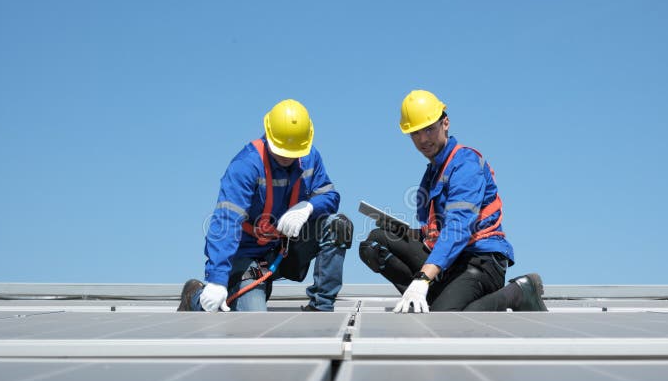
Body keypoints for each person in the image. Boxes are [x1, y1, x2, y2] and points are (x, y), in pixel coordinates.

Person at [359, 89, 547, 313]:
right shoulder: (432, 173)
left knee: (446, 320)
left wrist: (422, 278)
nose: (422, 139)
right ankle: (434, 298)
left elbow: (458, 227)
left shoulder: (465, 163)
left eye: (429, 129)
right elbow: (437, 230)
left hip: (481, 261)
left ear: (445, 123)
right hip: (452, 261)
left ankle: (518, 293)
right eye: (415, 133)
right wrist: (407, 233)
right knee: (376, 243)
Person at [179, 99, 352, 312]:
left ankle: (321, 307)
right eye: (282, 152)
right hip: (247, 257)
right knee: (253, 321)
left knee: (338, 225)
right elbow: (226, 221)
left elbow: (330, 196)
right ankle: (195, 297)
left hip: (284, 249)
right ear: (269, 136)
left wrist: (308, 207)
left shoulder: (310, 157)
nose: (287, 157)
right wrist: (217, 280)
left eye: (293, 153)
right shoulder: (246, 165)